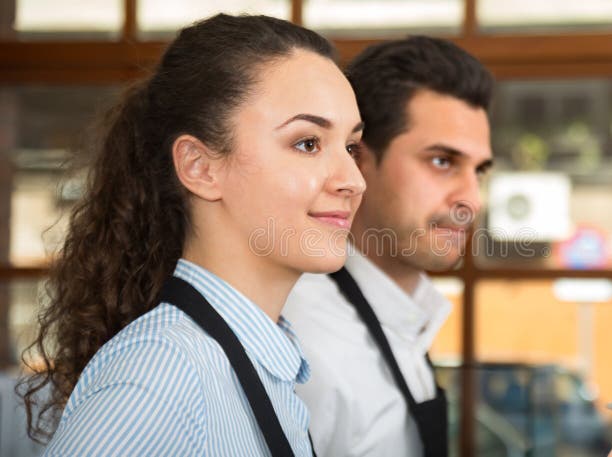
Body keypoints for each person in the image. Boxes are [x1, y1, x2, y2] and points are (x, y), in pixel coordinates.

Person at [18, 14, 365, 456]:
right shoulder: (158, 376)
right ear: (200, 168)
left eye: (351, 147)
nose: (353, 180)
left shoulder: (251, 359)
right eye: (308, 143)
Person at [284, 36, 494, 457]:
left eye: (480, 170)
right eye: (442, 161)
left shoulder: (409, 312)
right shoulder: (305, 345)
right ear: (358, 160)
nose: (472, 199)